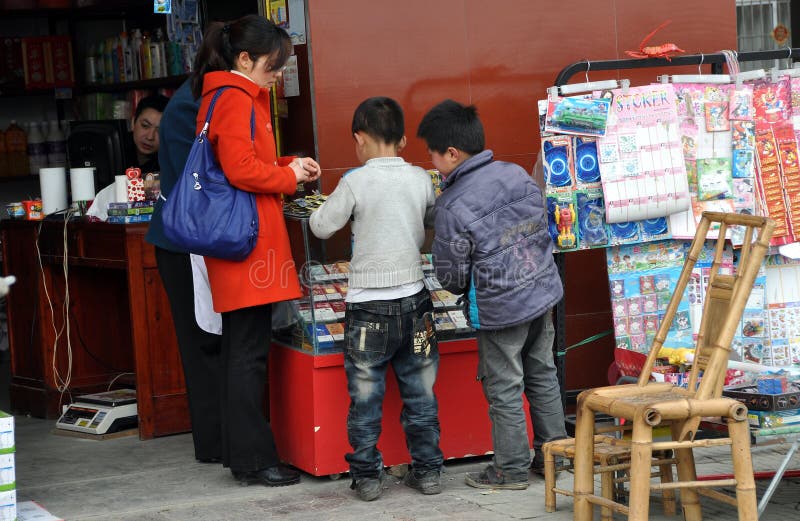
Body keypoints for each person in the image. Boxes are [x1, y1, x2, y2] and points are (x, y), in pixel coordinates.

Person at [190, 15, 320, 487]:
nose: (278, 73)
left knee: (241, 350)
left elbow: (242, 165)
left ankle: (243, 452)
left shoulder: (230, 96)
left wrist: (287, 165)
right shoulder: (233, 98)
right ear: (244, 59)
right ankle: (253, 459)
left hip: (242, 241)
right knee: (247, 353)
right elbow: (241, 168)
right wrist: (286, 176)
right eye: (272, 64)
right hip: (246, 244)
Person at [417, 99, 567, 490]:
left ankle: (511, 469)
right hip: (542, 293)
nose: (432, 163)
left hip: (500, 307)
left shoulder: (451, 203)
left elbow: (450, 274)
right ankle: (555, 457)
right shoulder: (515, 174)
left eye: (432, 154)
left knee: (504, 386)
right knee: (543, 373)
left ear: (451, 153)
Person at [309, 97, 443, 501]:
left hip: (368, 310)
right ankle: (429, 472)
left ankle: (367, 478)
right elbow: (433, 218)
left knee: (366, 397)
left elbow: (320, 226)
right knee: (421, 393)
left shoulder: (355, 181)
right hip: (416, 305)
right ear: (403, 140)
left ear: (359, 139)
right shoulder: (421, 177)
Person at [145, 71, 223, 465]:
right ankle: (213, 442)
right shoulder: (185, 109)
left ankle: (223, 437)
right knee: (201, 342)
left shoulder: (205, 100)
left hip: (201, 239)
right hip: (184, 243)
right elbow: (196, 181)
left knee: (215, 340)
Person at [129, 94, 169, 173]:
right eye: (145, 126)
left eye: (160, 131)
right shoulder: (116, 148)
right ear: (133, 123)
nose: (150, 137)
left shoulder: (170, 163)